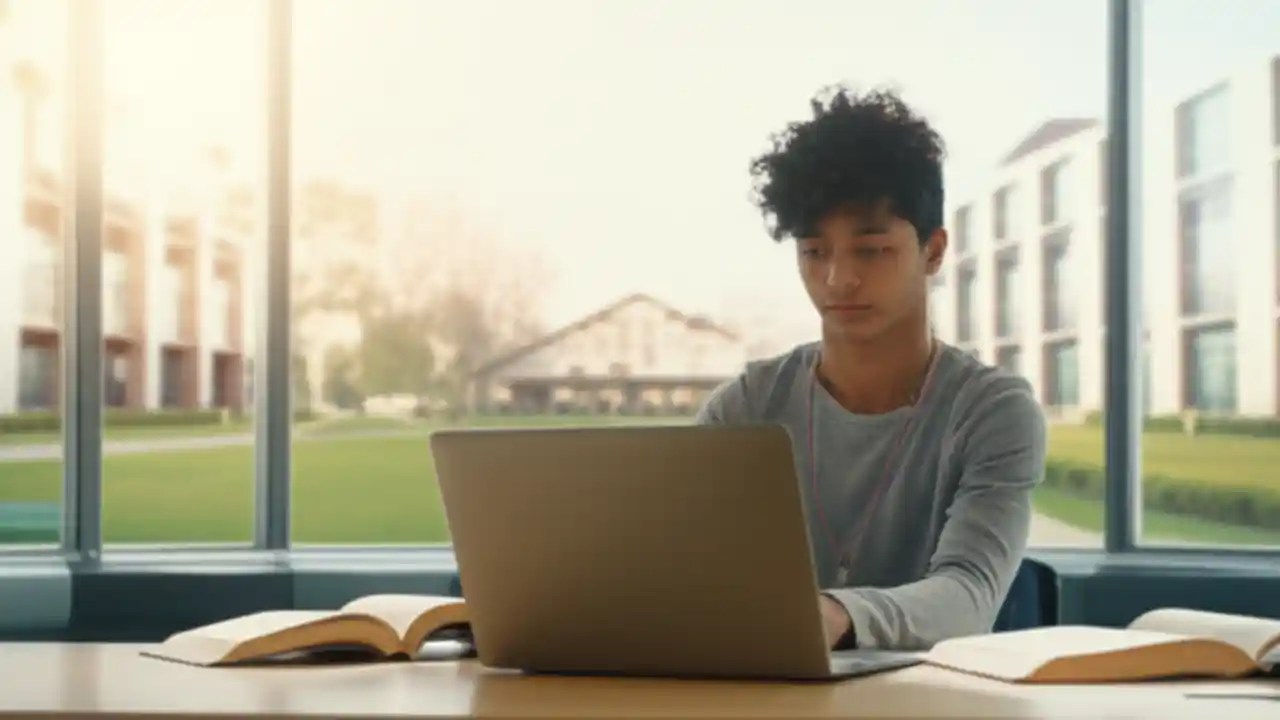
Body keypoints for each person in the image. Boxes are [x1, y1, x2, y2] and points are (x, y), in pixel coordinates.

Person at [696, 86, 1046, 651]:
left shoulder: (992, 411)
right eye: (814, 252)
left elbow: (968, 594)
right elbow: (682, 569)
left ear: (934, 251)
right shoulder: (745, 407)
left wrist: (838, 615)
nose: (838, 279)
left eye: (872, 250)